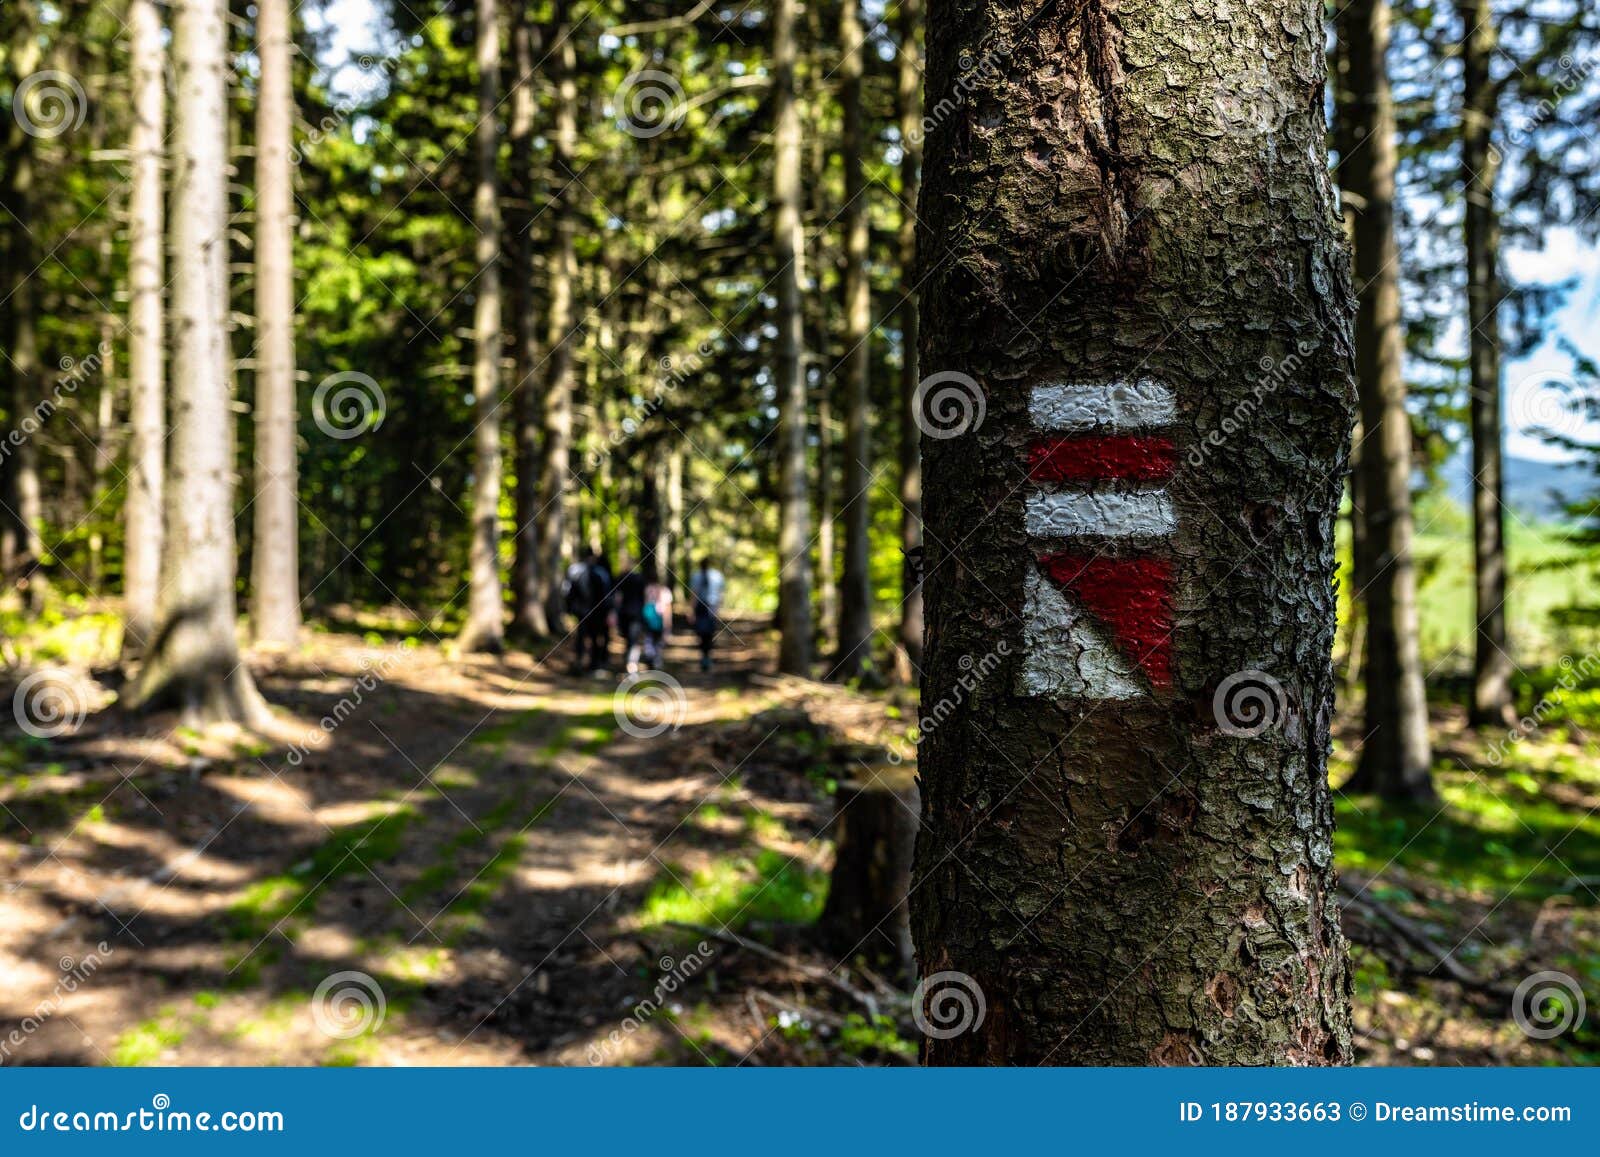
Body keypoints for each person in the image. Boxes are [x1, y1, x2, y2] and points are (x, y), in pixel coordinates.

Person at [563, 549, 612, 673]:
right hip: (596, 611)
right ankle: (593, 664)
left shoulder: (575, 571)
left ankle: (580, 661)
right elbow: (607, 594)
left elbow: (566, 591)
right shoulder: (601, 572)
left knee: (582, 636)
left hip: (582, 610)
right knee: (595, 636)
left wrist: (569, 608)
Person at [613, 553, 648, 674]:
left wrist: (615, 612)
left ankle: (629, 664)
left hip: (624, 613)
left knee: (628, 640)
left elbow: (618, 597)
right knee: (634, 641)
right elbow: (644, 598)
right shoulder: (640, 578)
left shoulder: (621, 577)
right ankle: (631, 665)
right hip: (636, 614)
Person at [689, 556, 725, 672]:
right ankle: (705, 655)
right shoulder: (699, 576)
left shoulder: (714, 576)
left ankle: (706, 656)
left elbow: (720, 594)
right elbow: (694, 595)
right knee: (704, 632)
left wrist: (691, 610)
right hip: (705, 607)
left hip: (709, 606)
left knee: (707, 632)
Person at [635, 565, 673, 671]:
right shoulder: (664, 590)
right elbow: (667, 609)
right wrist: (668, 623)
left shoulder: (647, 589)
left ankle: (650, 656)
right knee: (658, 640)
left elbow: (645, 605)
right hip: (659, 619)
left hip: (648, 619)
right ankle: (655, 659)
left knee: (649, 638)